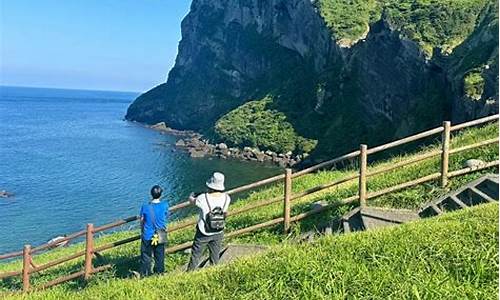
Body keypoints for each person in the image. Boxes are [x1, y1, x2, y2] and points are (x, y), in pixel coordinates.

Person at [187, 172, 231, 271]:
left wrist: (192, 195)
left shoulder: (203, 198)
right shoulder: (226, 198)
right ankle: (213, 272)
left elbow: (192, 201)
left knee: (196, 255)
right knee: (215, 256)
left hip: (203, 231)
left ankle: (189, 274)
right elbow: (225, 213)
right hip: (218, 230)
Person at [139, 185, 169, 276]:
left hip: (148, 235)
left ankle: (145, 274)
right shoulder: (165, 205)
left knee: (146, 256)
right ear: (161, 195)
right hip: (160, 234)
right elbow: (166, 215)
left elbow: (142, 220)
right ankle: (159, 273)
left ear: (151, 194)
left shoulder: (145, 207)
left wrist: (142, 231)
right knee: (160, 255)